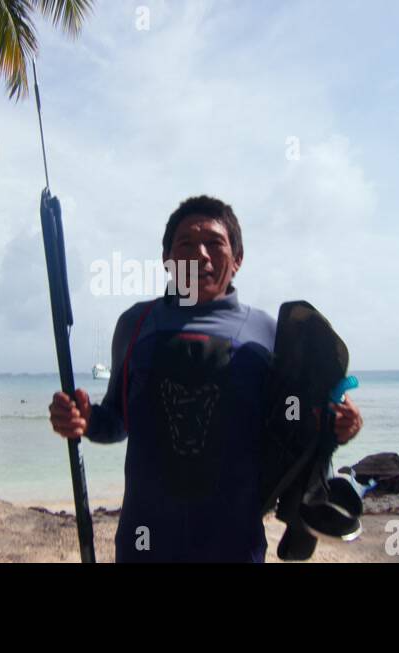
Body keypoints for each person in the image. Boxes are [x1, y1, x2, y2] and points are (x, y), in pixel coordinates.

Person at [49, 195, 363, 562]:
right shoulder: (136, 324)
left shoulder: (269, 334)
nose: (200, 255)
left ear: (238, 260)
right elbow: (116, 422)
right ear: (168, 260)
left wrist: (337, 427)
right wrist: (84, 421)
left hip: (235, 544)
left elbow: (293, 433)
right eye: (186, 244)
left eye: (215, 243)